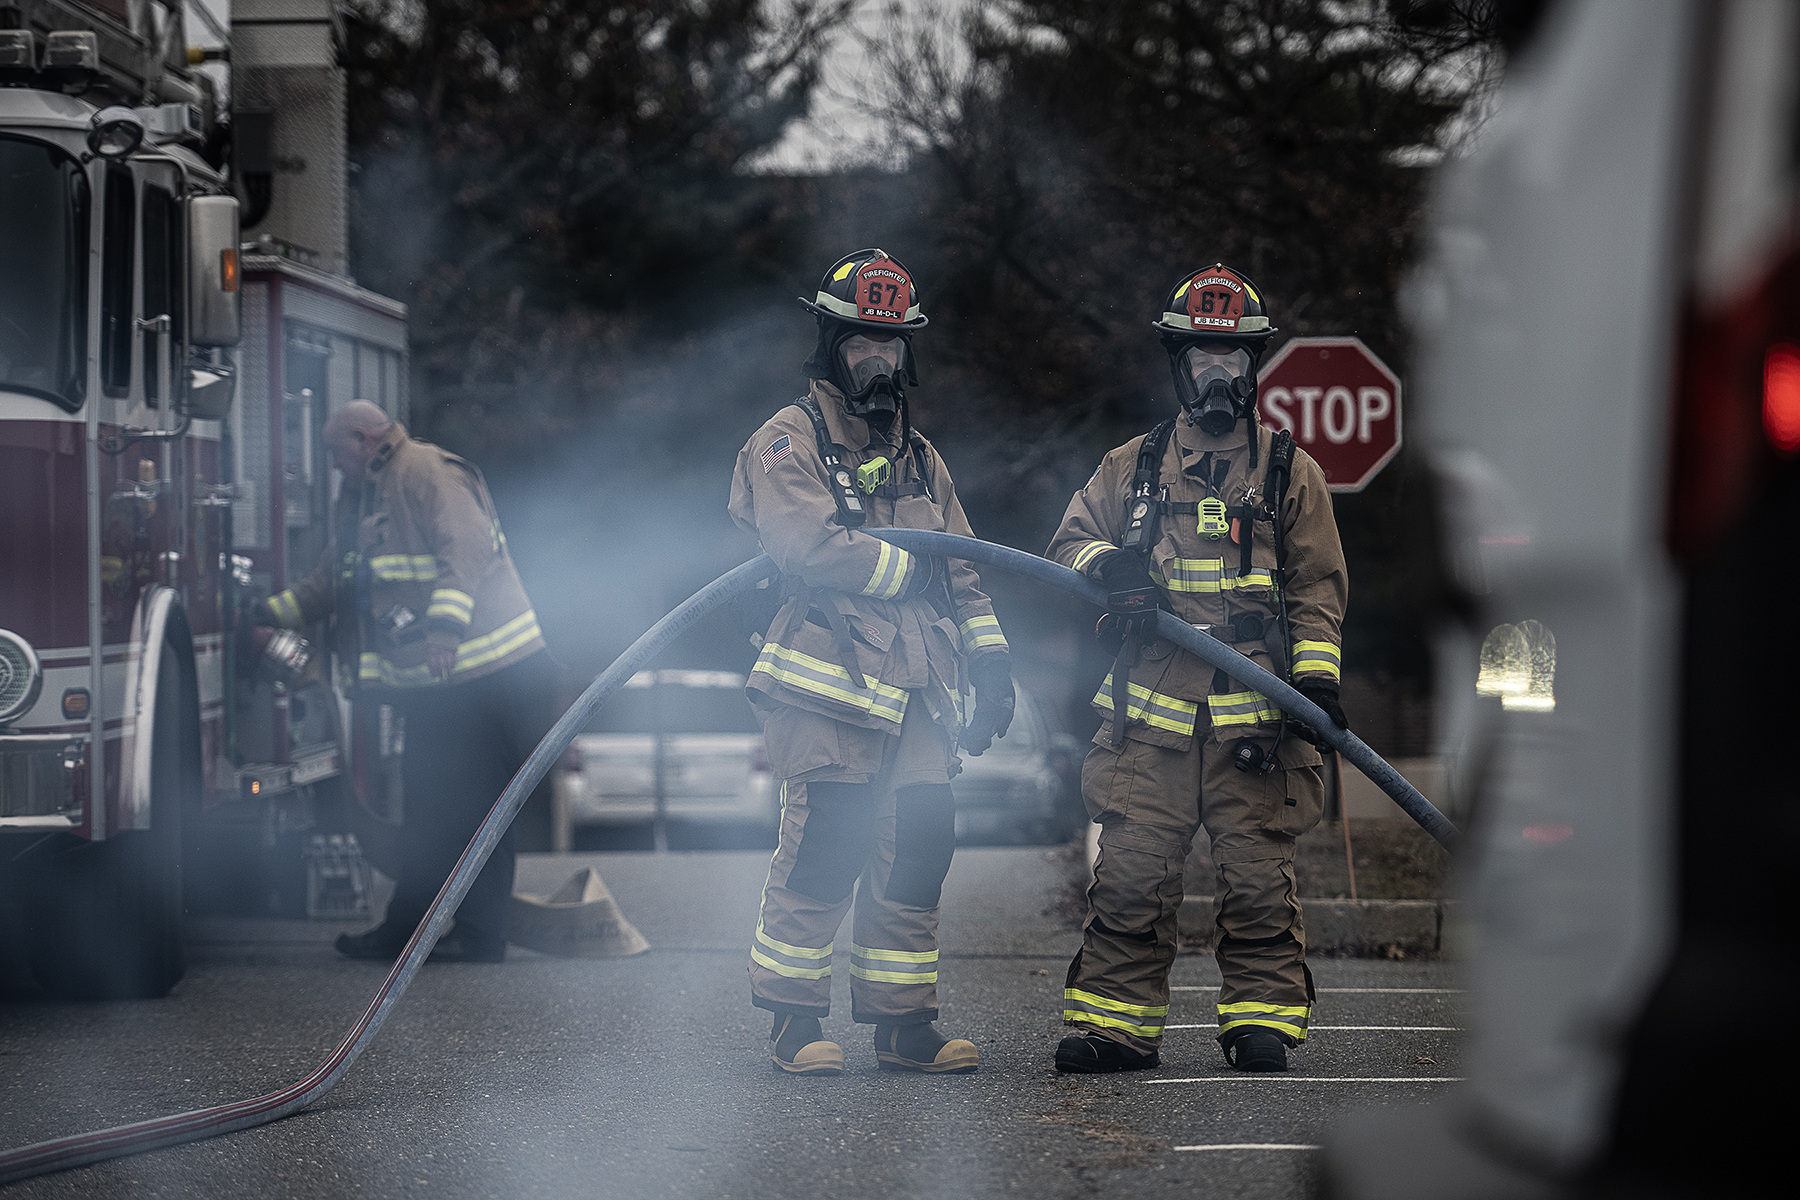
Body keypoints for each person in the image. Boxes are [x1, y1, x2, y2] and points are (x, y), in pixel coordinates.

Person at [1045, 265, 1349, 1074]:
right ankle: (1114, 1028)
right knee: (1132, 881)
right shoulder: (1132, 467)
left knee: (1256, 884)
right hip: (1148, 722)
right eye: (1204, 361)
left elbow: (1317, 589)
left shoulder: (1290, 471)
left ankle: (1262, 1025)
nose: (1220, 377)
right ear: (1179, 365)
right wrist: (1114, 566)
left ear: (1254, 367)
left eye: (1235, 361)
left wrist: (1315, 684)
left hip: (1256, 719)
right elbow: (1068, 544)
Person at [728, 249, 1015, 1076]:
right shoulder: (788, 441)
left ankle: (902, 1023)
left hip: (920, 690)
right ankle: (792, 1020)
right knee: (828, 841)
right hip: (828, 684)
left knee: (921, 844)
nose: (879, 362)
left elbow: (961, 566)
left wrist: (992, 664)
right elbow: (808, 545)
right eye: (862, 344)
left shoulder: (923, 455)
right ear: (829, 346)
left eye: (891, 347)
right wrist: (906, 570)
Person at [260, 399, 553, 963]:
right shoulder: (363, 496)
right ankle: (427, 931)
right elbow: (329, 583)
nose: (329, 462)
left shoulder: (427, 471)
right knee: (433, 807)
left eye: (332, 449)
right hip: (439, 687)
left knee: (471, 808)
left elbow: (464, 546)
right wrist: (265, 612)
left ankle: (461, 935)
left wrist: (444, 629)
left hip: (486, 677)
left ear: (365, 438)